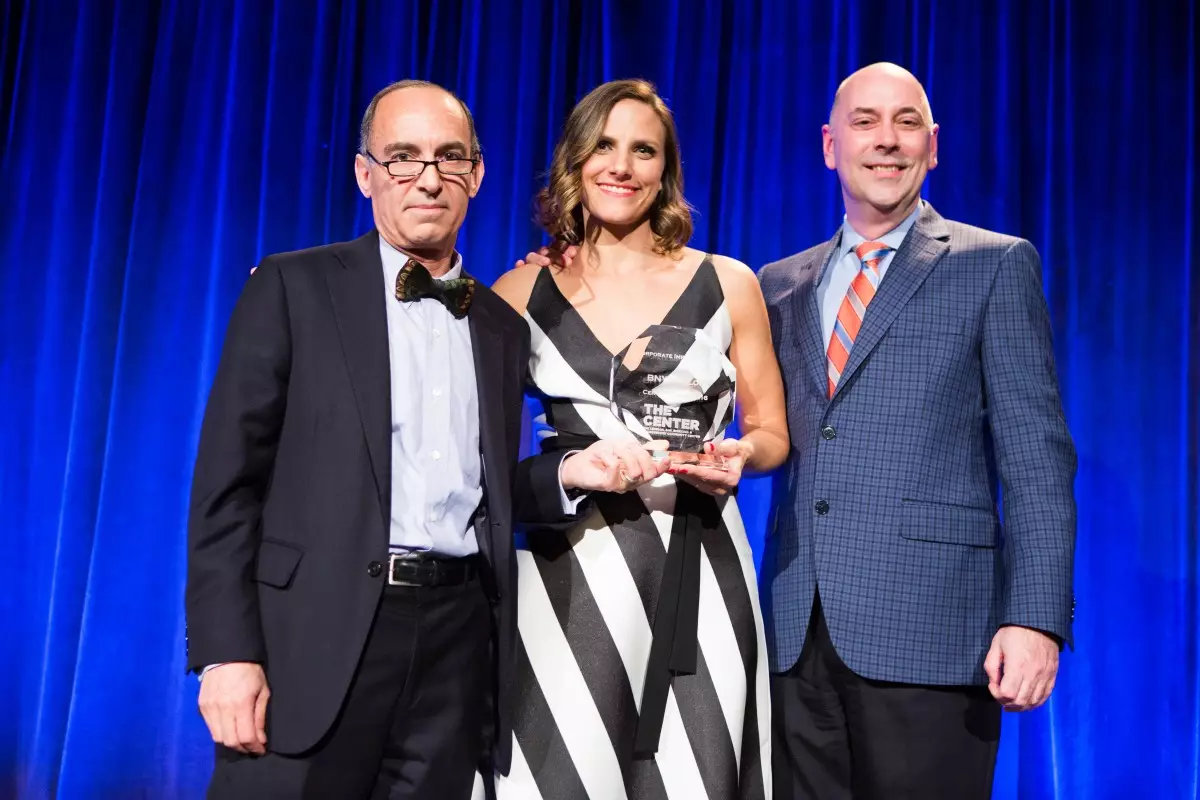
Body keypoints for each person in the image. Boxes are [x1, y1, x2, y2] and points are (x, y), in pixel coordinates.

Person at [185, 79, 658, 799]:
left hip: (455, 647)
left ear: (477, 175)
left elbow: (484, 489)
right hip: (312, 642)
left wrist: (569, 474)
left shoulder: (501, 326)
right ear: (365, 172)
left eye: (449, 157)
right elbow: (227, 487)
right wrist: (225, 654)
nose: (429, 178)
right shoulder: (292, 287)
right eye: (403, 157)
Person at [758, 62, 1077, 799]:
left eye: (907, 124)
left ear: (933, 147)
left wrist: (1034, 620)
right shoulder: (779, 283)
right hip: (793, 631)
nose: (887, 141)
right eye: (866, 123)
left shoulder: (993, 264)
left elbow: (1037, 459)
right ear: (830, 145)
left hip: (935, 634)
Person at [495, 79, 789, 799]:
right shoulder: (519, 293)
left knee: (694, 775)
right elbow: (479, 456)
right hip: (570, 577)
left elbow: (774, 431)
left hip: (698, 569)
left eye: (643, 150)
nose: (621, 166)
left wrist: (740, 456)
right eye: (604, 146)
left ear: (666, 170)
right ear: (574, 160)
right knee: (566, 770)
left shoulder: (728, 283)